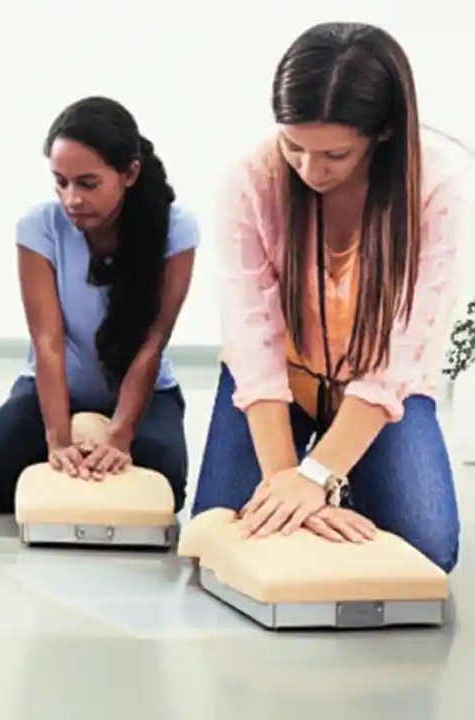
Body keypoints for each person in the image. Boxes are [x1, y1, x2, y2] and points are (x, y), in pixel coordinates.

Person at [191, 22, 469, 573]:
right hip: (276, 385)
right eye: (293, 146)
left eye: (335, 155)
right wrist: (285, 485)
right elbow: (254, 342)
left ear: (382, 133)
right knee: (222, 530)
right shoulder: (248, 180)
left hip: (380, 390)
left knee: (428, 549)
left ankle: (344, 480)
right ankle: (327, 493)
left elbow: (405, 354)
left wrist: (317, 475)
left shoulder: (437, 188)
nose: (310, 170)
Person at [0, 96, 199, 513]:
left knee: (165, 482)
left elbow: (152, 342)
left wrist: (120, 435)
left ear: (129, 173)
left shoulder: (175, 229)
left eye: (87, 184)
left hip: (143, 392)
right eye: (61, 182)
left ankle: (101, 442)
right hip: (52, 389)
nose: (71, 199)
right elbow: (47, 342)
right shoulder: (39, 227)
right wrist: (58, 441)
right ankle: (75, 446)